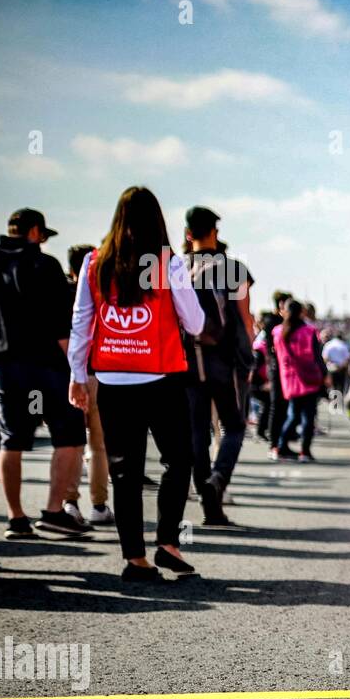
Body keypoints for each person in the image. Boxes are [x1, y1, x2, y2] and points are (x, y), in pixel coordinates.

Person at [67, 186, 205, 582]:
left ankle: (135, 559)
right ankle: (167, 542)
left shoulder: (94, 263)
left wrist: (77, 376)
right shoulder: (168, 263)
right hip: (161, 376)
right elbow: (195, 323)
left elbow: (81, 323)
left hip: (110, 377)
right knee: (178, 460)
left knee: (124, 472)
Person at [0, 208, 89, 539]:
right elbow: (61, 325)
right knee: (70, 435)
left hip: (6, 365)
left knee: (11, 439)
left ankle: (16, 517)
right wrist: (77, 369)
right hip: (48, 367)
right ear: (33, 231)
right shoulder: (45, 266)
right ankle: (54, 510)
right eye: (43, 236)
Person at [182, 206, 254, 526]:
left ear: (187, 235)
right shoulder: (233, 268)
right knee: (234, 426)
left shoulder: (174, 268)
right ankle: (218, 480)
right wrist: (247, 357)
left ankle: (207, 502)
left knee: (196, 431)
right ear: (215, 232)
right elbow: (245, 318)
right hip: (223, 361)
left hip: (185, 360)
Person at [62, 243, 113, 528]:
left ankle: (69, 501)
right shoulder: (99, 292)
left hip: (68, 376)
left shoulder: (59, 294)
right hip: (97, 373)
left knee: (71, 444)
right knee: (99, 445)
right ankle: (98, 504)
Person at [272, 300, 326, 462]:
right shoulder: (309, 331)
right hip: (308, 377)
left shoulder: (278, 332)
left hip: (288, 378)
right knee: (307, 417)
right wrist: (324, 374)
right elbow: (317, 357)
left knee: (293, 415)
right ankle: (305, 451)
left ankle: (280, 446)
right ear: (302, 312)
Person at [264, 291, 293, 459]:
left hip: (283, 370)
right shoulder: (272, 322)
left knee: (284, 408)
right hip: (276, 369)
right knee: (277, 407)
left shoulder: (281, 322)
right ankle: (274, 445)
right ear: (281, 304)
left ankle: (282, 444)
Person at [321, 329, 350, 397]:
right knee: (341, 386)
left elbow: (324, 358)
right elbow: (347, 358)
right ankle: (339, 401)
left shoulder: (328, 344)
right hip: (342, 368)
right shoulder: (343, 344)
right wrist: (340, 366)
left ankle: (335, 402)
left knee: (333, 386)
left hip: (331, 368)